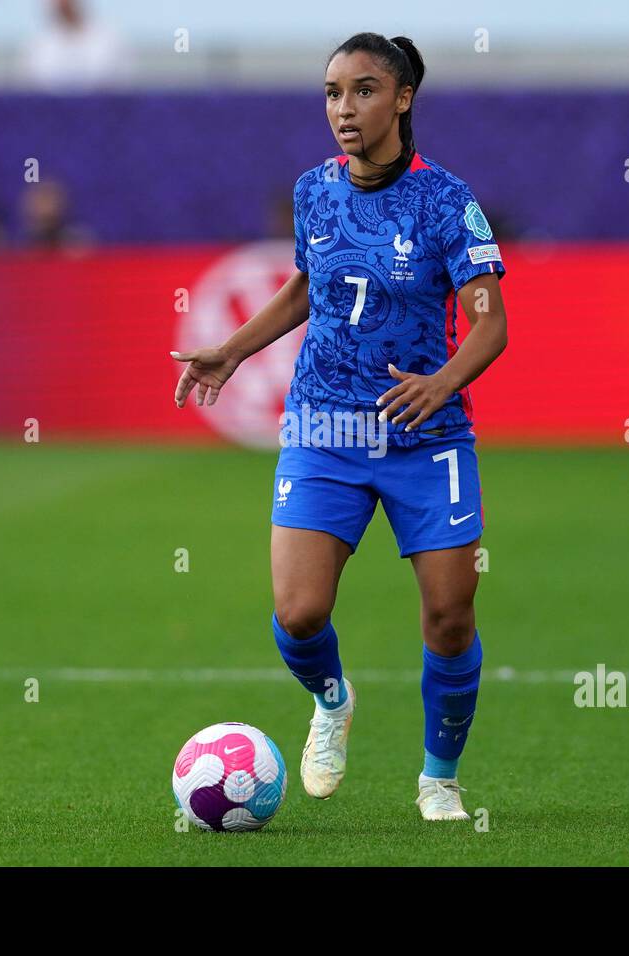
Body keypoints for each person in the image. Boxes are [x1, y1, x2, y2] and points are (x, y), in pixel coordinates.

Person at [171, 32, 509, 821]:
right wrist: (230, 350)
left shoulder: (447, 201)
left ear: (402, 99)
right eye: (331, 92)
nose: (344, 109)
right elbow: (307, 288)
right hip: (324, 430)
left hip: (426, 438)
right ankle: (332, 700)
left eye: (362, 90)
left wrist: (444, 383)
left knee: (451, 616)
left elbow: (489, 325)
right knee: (298, 613)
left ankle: (439, 778)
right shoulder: (314, 190)